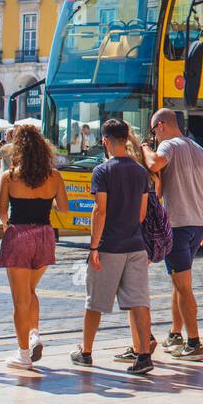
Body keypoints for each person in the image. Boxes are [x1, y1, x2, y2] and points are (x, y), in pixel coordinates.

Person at [71, 118, 154, 375]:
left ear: (106, 141)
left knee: (95, 302)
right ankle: (143, 356)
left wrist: (94, 247)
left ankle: (85, 352)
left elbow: (100, 210)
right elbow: (142, 214)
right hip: (136, 245)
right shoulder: (141, 172)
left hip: (109, 246)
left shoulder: (103, 172)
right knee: (139, 301)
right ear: (126, 140)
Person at [145, 108, 203, 361]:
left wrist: (145, 149)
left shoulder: (169, 147)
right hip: (196, 224)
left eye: (154, 131)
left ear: (161, 125)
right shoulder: (200, 150)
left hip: (177, 224)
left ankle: (194, 342)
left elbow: (154, 163)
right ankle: (176, 333)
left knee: (183, 287)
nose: (155, 137)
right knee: (178, 281)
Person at [0, 124, 68, 370]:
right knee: (30, 290)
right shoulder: (54, 175)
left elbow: (2, 211)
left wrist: (7, 226)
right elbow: (64, 207)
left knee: (20, 299)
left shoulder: (10, 177)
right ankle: (34, 333)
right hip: (45, 234)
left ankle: (23, 354)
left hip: (19, 233)